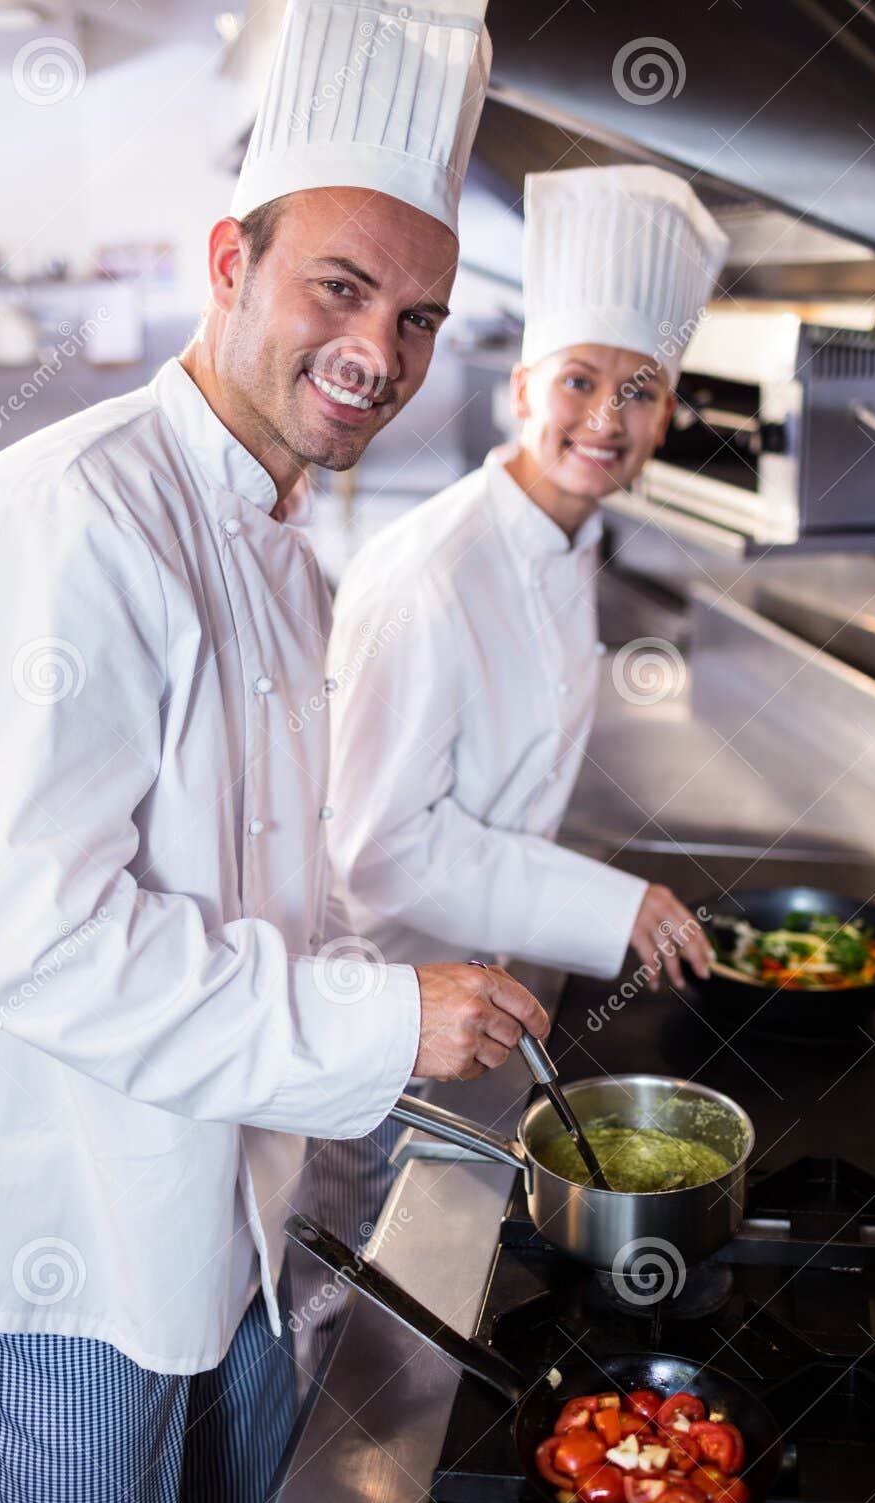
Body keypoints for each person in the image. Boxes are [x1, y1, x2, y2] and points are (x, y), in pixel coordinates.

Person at [0, 0, 547, 1503]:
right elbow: (32, 938)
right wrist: (377, 1027)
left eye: (421, 316)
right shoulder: (71, 519)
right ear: (230, 263)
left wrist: (389, 1054)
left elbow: (274, 894)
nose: (381, 351)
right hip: (75, 1273)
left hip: (241, 1230)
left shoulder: (288, 547)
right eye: (340, 287)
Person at [292, 165, 729, 1361]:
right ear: (522, 389)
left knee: (413, 1321)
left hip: (474, 1008)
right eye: (578, 381)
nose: (605, 417)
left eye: (637, 391)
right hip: (380, 1027)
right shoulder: (432, 569)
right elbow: (379, 848)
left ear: (668, 407)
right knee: (349, 1337)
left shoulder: (559, 542)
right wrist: (612, 902)